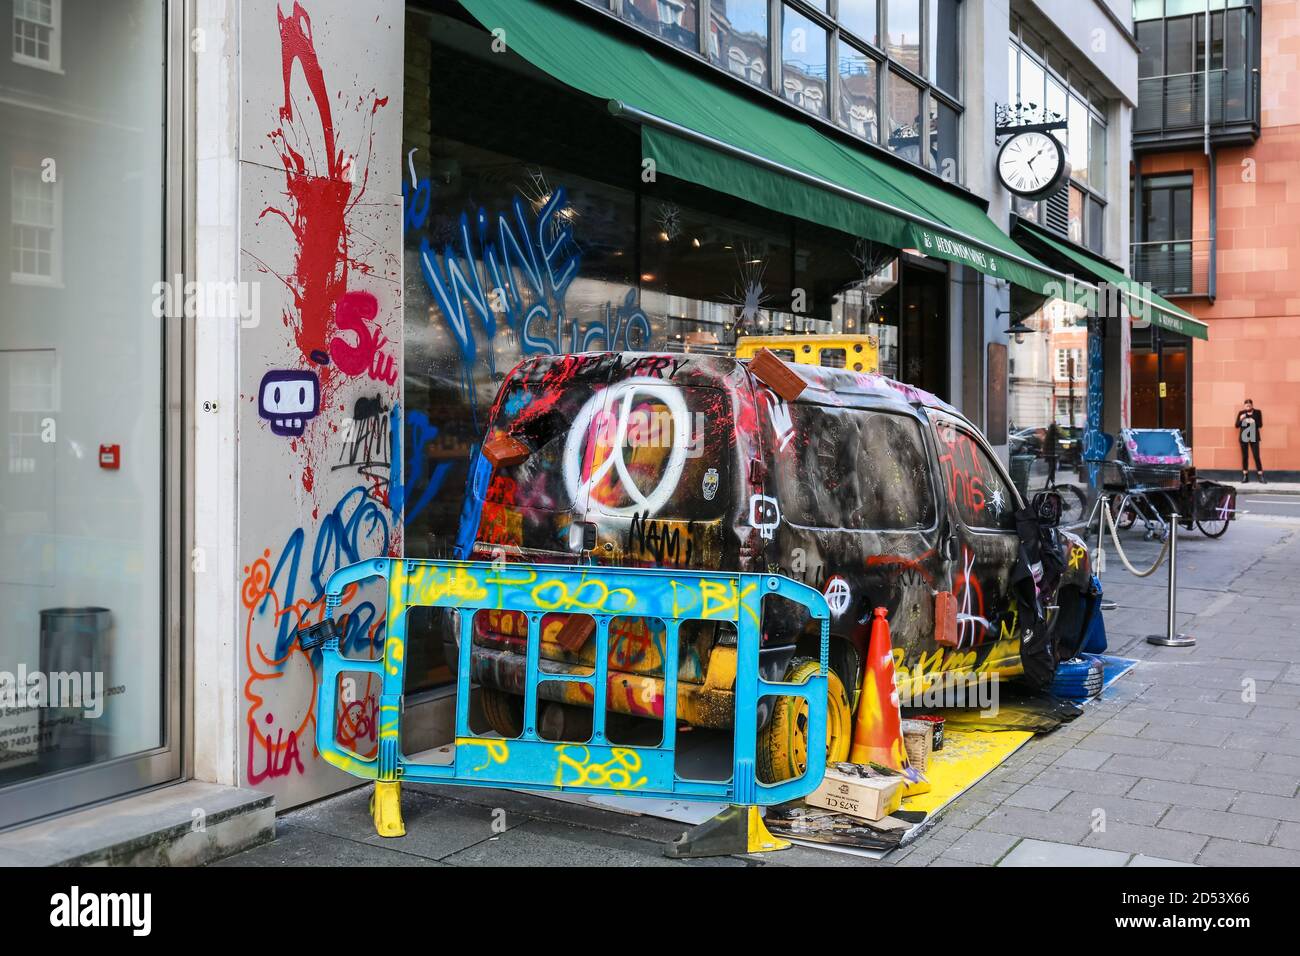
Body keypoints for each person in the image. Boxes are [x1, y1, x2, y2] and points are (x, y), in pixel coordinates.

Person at [1235, 399, 1264, 483]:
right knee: (1245, 457)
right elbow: (1236, 425)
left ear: (1252, 405)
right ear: (1244, 406)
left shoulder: (1257, 412)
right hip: (1244, 436)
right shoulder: (1241, 413)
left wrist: (1252, 419)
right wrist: (1241, 419)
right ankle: (1245, 476)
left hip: (1254, 437)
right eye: (1246, 406)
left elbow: (1260, 425)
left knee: (1256, 456)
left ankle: (1260, 475)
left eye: (1249, 405)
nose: (1248, 407)